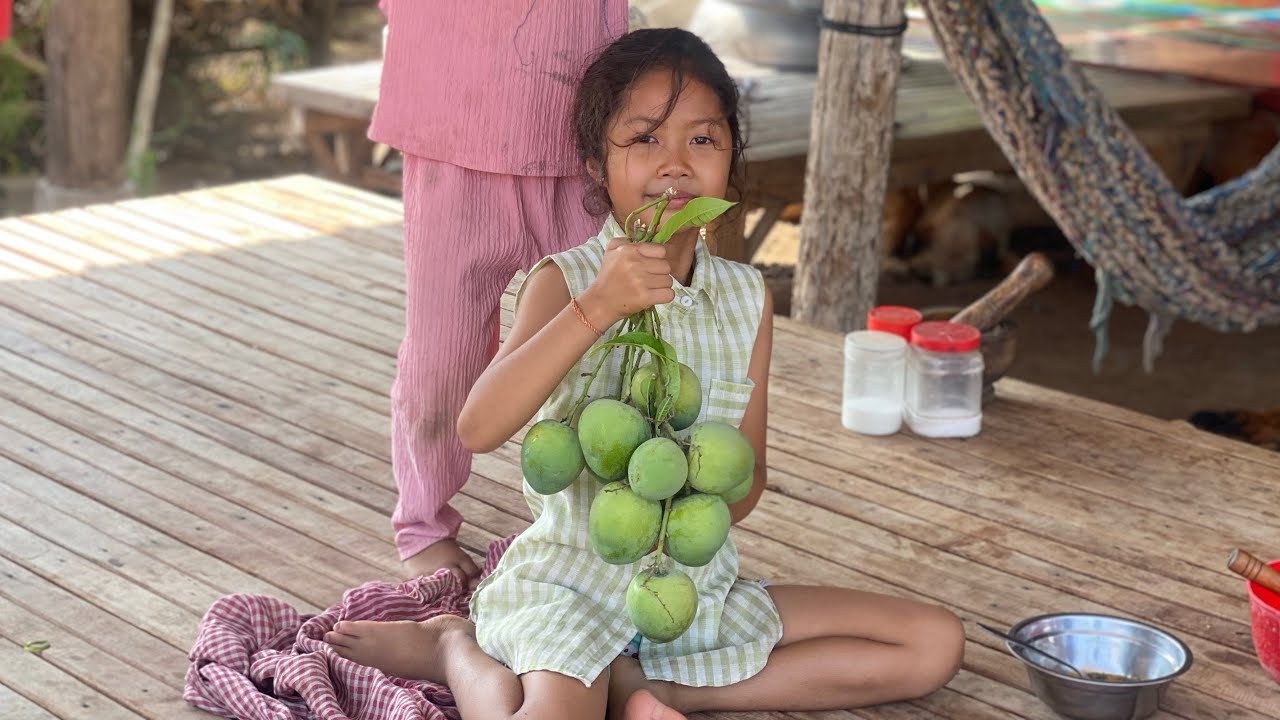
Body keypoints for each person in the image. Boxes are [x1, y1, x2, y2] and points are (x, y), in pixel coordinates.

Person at [327, 28, 966, 720]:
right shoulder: (565, 281)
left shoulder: (746, 299)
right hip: (569, 587)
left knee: (933, 644)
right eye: (643, 140)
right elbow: (478, 427)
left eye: (702, 139)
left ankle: (652, 690)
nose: (674, 164)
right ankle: (456, 648)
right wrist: (599, 307)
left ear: (730, 159)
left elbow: (744, 484)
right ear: (597, 166)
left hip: (684, 591)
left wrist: (680, 478)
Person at [373, 0, 629, 582]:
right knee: (441, 360)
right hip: (448, 124)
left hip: (579, 136)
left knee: (601, 349)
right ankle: (422, 520)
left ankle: (603, 517)